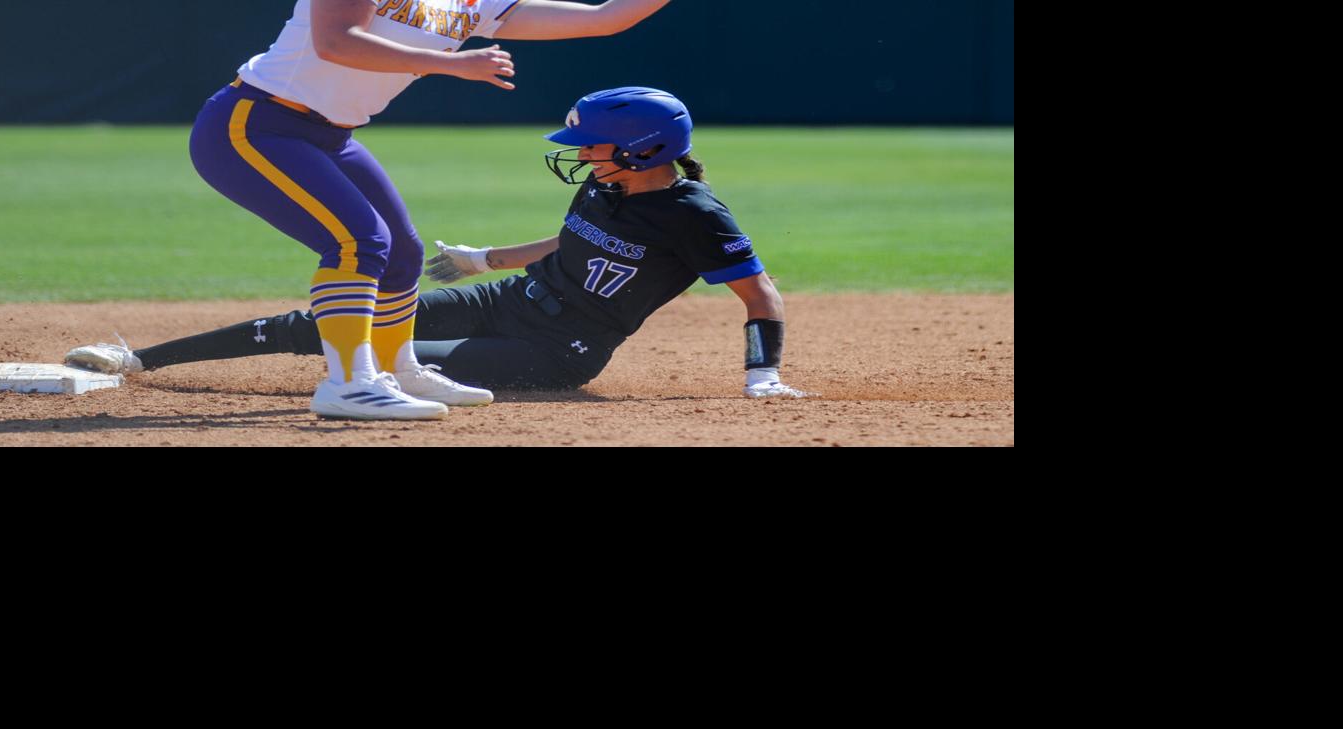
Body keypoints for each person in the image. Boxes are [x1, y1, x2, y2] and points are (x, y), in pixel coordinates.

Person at [87, 0, 674, 421]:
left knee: (402, 253)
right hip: (256, 123)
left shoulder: (480, 1)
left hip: (330, 135)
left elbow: (606, 17)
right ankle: (349, 384)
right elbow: (336, 40)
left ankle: (398, 369)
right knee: (359, 243)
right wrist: (454, 64)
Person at [69, 87, 806, 400]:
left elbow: (759, 293)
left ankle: (363, 390)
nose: (581, 155)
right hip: (509, 299)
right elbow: (574, 238)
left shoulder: (696, 215)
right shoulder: (613, 187)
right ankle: (138, 358)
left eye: (594, 146)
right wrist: (487, 260)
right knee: (326, 324)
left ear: (644, 151)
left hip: (558, 351)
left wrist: (760, 376)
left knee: (391, 363)